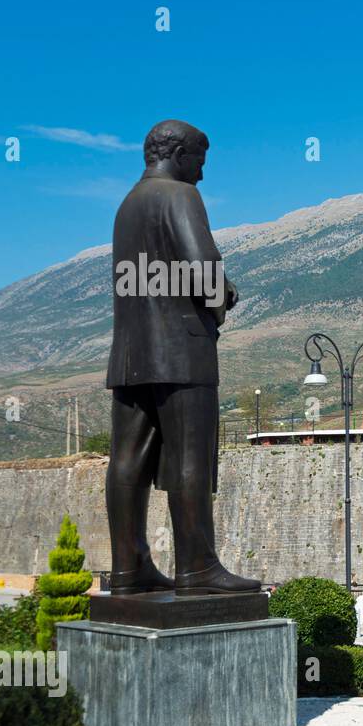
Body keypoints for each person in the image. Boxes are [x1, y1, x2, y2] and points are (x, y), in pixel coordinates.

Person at [104, 119, 259, 595]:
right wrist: (223, 297)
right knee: (190, 459)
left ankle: (129, 570)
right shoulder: (180, 197)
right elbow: (201, 265)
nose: (202, 175)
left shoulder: (128, 204)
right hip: (181, 350)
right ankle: (197, 567)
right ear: (178, 154)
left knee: (127, 461)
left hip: (131, 355)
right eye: (199, 162)